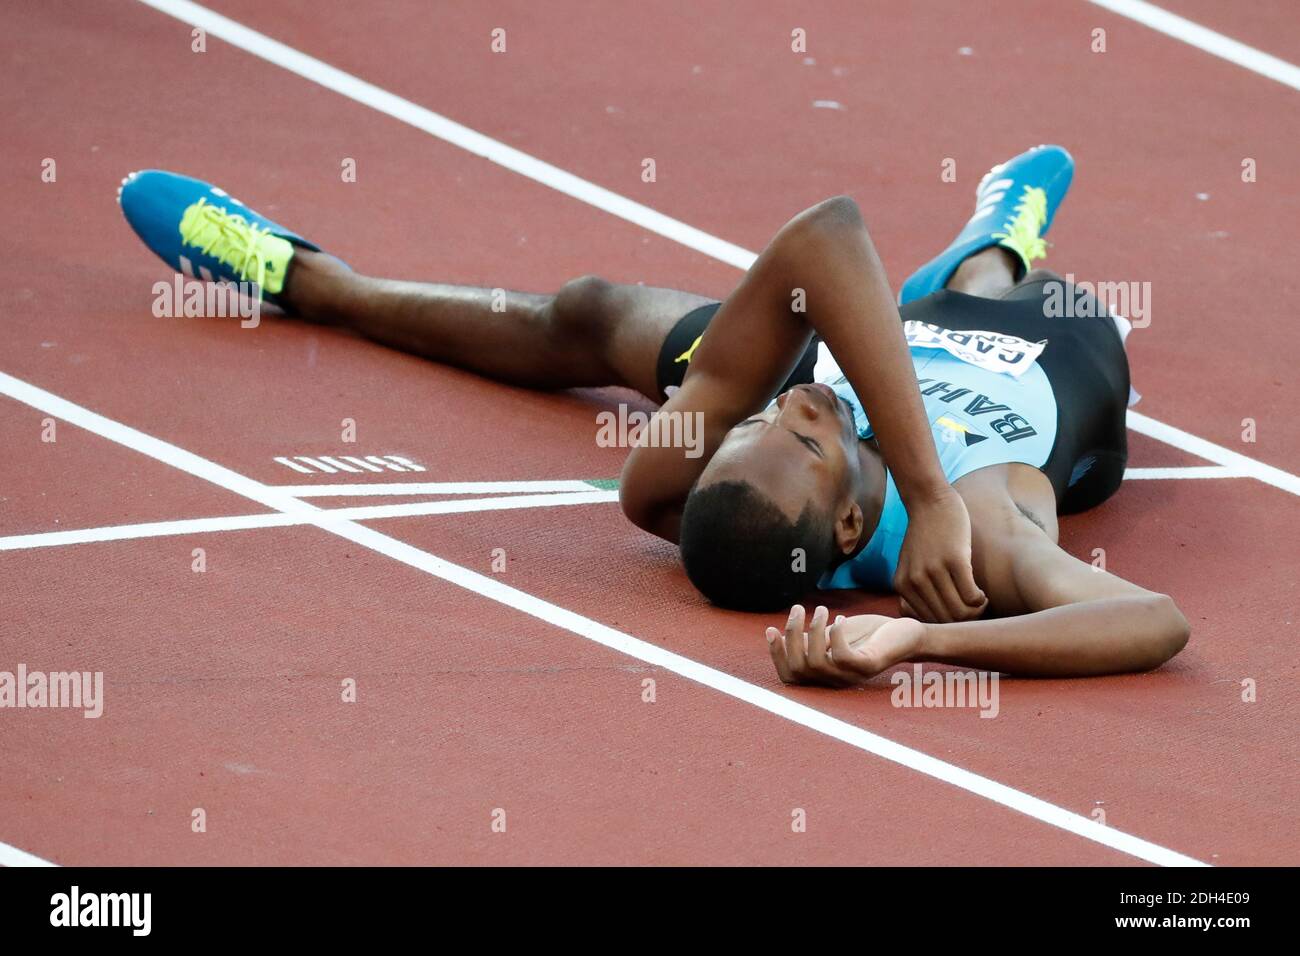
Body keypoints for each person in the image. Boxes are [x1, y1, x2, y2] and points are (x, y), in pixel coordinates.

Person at [118, 144, 1189, 687]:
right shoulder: (978, 525)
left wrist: (788, 422)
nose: (792, 404)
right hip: (1039, 341)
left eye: (756, 421)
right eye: (802, 436)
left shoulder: (669, 477)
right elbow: (1152, 619)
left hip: (867, 349)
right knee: (987, 278)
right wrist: (918, 637)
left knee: (586, 313)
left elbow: (828, 236)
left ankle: (311, 282)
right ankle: (999, 234)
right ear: (850, 531)